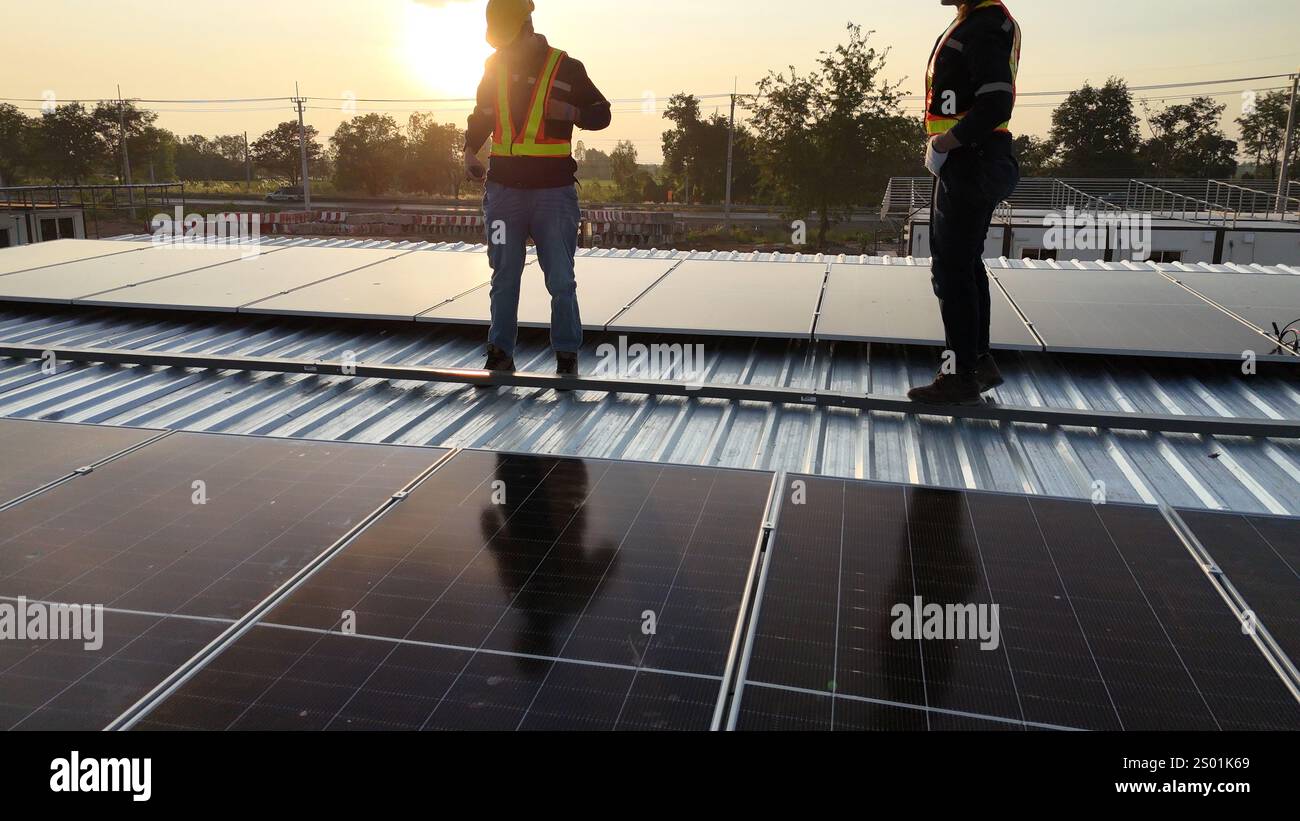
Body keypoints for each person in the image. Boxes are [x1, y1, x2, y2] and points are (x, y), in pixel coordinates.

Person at [463, 0, 611, 377]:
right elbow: (482, 114)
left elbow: (602, 112)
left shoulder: (567, 68)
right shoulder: (494, 66)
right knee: (504, 274)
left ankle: (566, 354)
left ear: (527, 27)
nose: (502, 49)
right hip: (503, 193)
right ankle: (500, 352)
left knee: (560, 277)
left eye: (508, 41)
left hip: (553, 194)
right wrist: (469, 150)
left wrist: (574, 114)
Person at [909, 0, 1022, 405]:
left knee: (952, 270)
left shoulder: (985, 25)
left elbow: (996, 102)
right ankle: (977, 363)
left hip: (971, 160)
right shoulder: (982, 21)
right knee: (964, 265)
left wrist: (945, 142)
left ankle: (959, 378)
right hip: (972, 159)